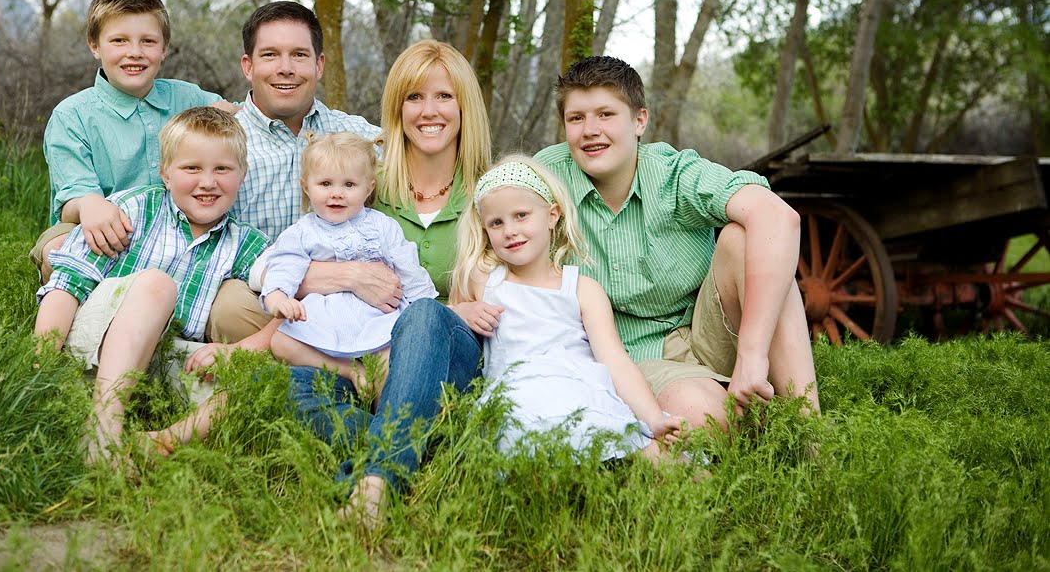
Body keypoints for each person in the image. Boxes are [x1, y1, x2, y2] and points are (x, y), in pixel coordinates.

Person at [163, 40, 494, 525]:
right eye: (414, 98)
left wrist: (458, 309)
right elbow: (309, 281)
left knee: (425, 313)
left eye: (444, 97)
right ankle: (423, 442)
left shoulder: (490, 190)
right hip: (359, 358)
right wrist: (248, 347)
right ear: (396, 109)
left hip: (446, 355)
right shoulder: (362, 185)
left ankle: (378, 484)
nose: (429, 112)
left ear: (465, 106)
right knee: (289, 387)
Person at [534, 56, 820, 433]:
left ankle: (812, 435)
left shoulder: (674, 174)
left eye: (606, 114)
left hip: (710, 331)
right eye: (576, 118)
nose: (590, 130)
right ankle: (745, 424)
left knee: (746, 237)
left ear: (639, 121)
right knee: (704, 413)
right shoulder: (546, 178)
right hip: (635, 355)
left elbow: (779, 216)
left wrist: (751, 356)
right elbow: (493, 233)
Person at [33, 107, 267, 462]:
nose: (208, 182)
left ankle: (159, 442)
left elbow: (292, 291)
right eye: (192, 168)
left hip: (163, 362)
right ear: (166, 174)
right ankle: (103, 436)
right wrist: (39, 365)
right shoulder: (132, 209)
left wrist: (237, 351)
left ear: (242, 174)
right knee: (158, 286)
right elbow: (68, 283)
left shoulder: (245, 243)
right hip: (92, 346)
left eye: (222, 169)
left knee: (256, 379)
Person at [451, 156, 682, 462]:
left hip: (579, 393)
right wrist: (462, 312)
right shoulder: (482, 280)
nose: (509, 230)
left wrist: (653, 417)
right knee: (532, 447)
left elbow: (615, 361)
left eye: (521, 215)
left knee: (660, 456)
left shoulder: (583, 289)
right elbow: (448, 320)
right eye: (497, 222)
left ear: (552, 215)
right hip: (519, 397)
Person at [205, 1, 379, 344]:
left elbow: (419, 173)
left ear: (319, 65)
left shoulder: (358, 137)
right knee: (227, 307)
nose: (286, 69)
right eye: (270, 55)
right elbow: (203, 241)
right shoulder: (221, 143)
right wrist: (317, 276)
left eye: (299, 55)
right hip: (263, 298)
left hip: (349, 304)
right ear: (248, 66)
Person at [30, 0, 229, 283]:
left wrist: (236, 111)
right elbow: (72, 199)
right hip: (105, 229)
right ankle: (80, 307)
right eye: (119, 41)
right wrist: (89, 204)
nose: (134, 53)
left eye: (148, 41)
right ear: (95, 45)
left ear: (164, 48)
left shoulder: (188, 98)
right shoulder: (72, 115)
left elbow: (240, 114)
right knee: (57, 247)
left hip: (174, 232)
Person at [256, 132, 437, 394]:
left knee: (388, 363)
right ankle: (348, 370)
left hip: (375, 319)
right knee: (282, 342)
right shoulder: (302, 232)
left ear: (369, 188)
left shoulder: (382, 226)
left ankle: (383, 420)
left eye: (349, 185)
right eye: (325, 184)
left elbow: (408, 269)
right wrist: (277, 298)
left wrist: (425, 308)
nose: (337, 194)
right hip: (323, 319)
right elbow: (284, 265)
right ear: (306, 186)